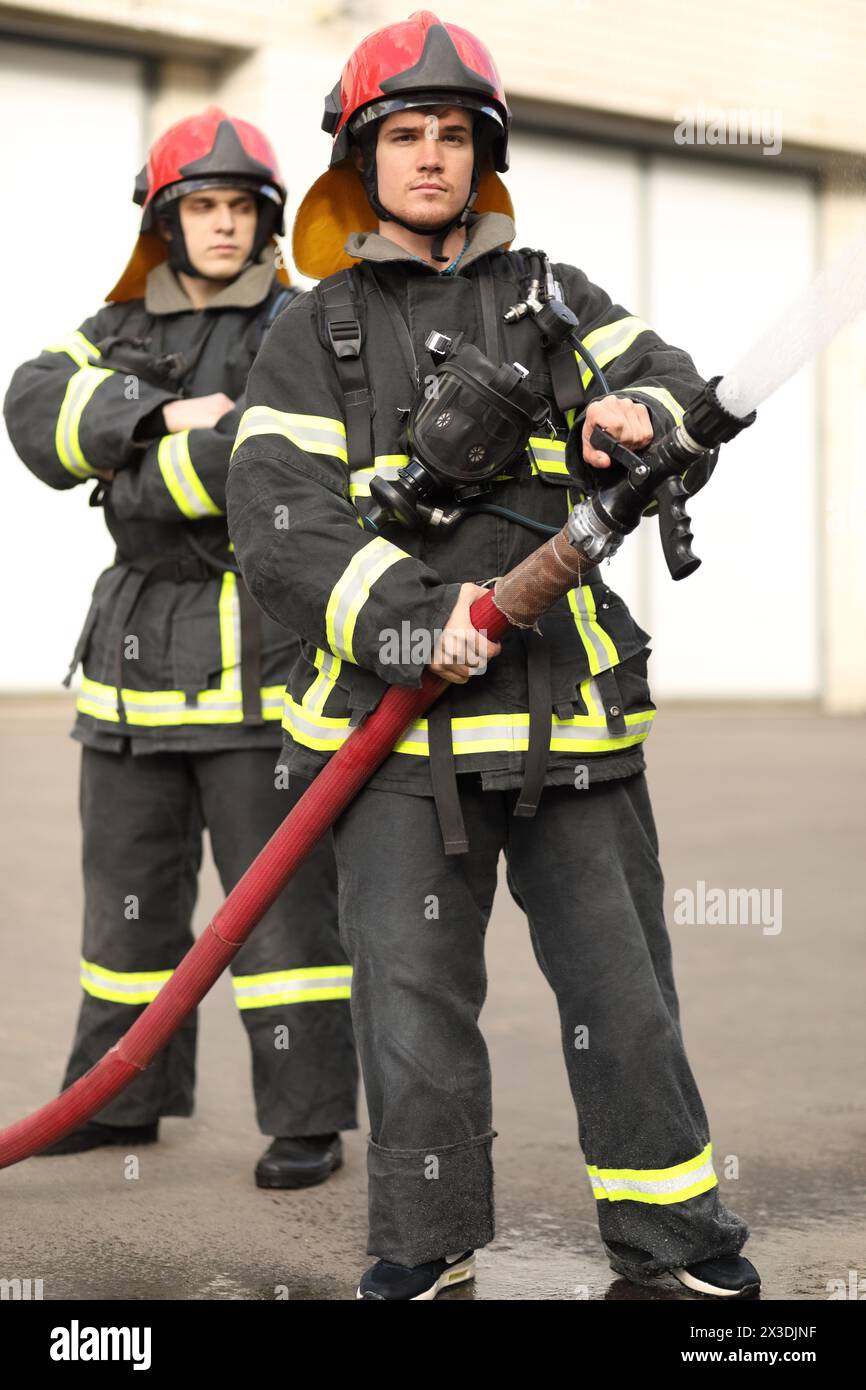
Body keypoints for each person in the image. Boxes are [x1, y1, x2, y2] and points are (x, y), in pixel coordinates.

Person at [227, 12, 759, 1297]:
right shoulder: (314, 329)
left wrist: (643, 408)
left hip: (568, 727)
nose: (428, 157)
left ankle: (669, 1233)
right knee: (412, 1012)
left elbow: (676, 381)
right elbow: (279, 518)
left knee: (621, 994)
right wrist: (422, 620)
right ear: (362, 159)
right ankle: (425, 1242)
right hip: (395, 735)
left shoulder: (553, 295)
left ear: (482, 153)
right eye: (403, 135)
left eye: (451, 135)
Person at [3, 107, 357, 1189]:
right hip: (127, 676)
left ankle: (305, 1120)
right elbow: (28, 409)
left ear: (264, 220)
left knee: (279, 913)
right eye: (198, 205)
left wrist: (129, 465)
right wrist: (160, 415)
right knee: (126, 906)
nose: (219, 223)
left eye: (239, 206)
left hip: (256, 675)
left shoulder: (300, 324)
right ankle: (116, 1100)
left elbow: (261, 475)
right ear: (165, 220)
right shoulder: (116, 324)